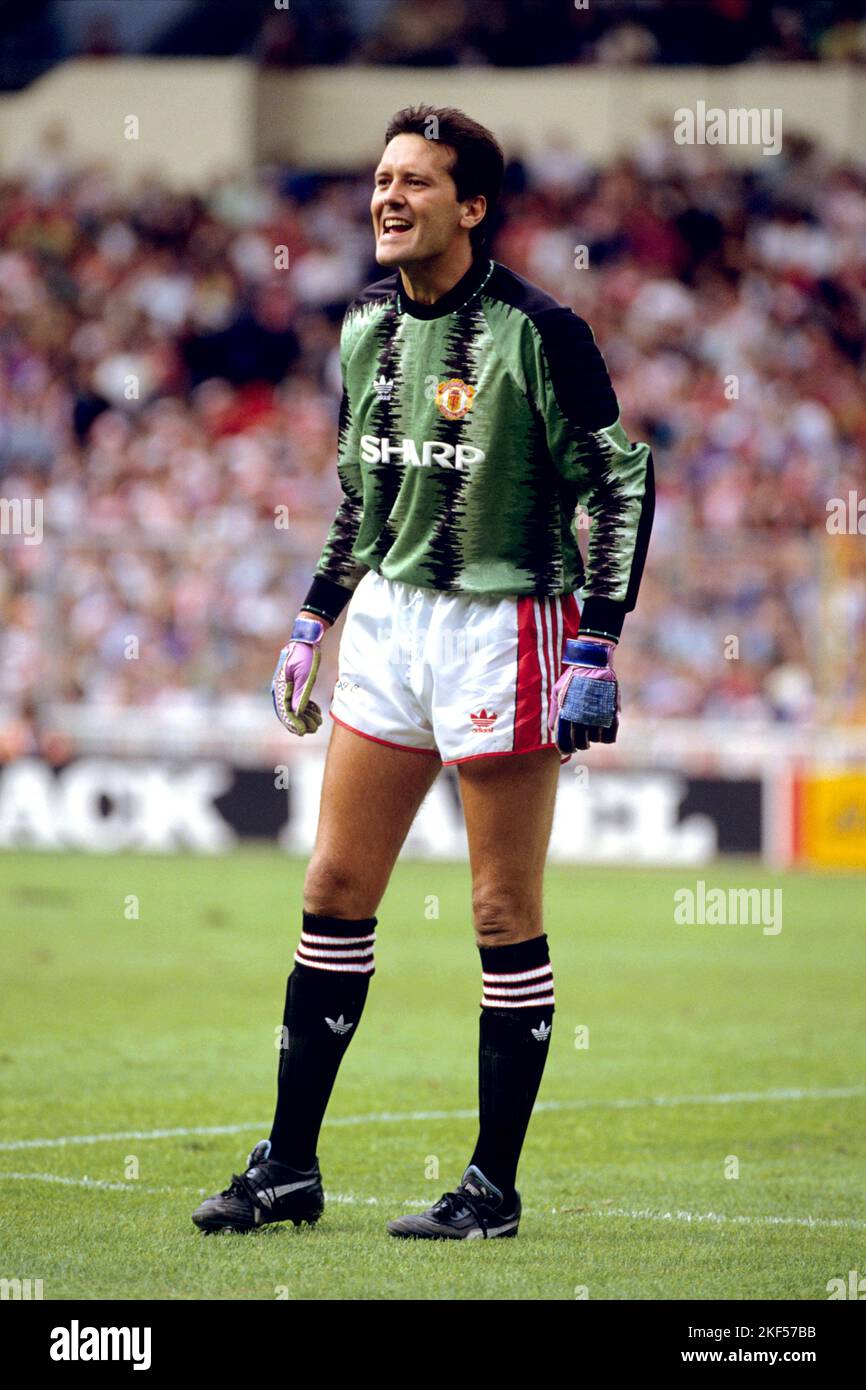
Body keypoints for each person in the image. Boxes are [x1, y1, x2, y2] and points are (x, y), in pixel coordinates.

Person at [192, 103, 654, 1240]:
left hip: (506, 623)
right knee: (332, 893)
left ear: (473, 206)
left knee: (499, 908)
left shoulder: (543, 333)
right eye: (380, 178)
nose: (387, 198)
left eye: (416, 182)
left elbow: (622, 483)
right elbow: (362, 496)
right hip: (391, 626)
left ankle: (489, 1189)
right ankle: (289, 1166)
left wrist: (597, 637)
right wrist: (312, 619)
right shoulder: (358, 327)